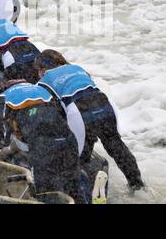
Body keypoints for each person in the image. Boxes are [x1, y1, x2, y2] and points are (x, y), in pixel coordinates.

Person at [37, 50, 145, 192]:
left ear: (42, 69)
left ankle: (83, 190)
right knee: (116, 145)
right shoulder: (77, 68)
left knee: (76, 157)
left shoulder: (43, 81)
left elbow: (53, 112)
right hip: (104, 104)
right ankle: (137, 185)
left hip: (79, 110)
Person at [0, 83, 81, 202]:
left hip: (42, 144)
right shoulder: (41, 91)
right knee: (74, 186)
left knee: (45, 194)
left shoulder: (3, 100)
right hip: (69, 139)